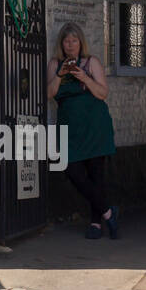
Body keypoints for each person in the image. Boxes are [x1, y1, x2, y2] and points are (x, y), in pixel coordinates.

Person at [47, 22, 118, 239]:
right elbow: (49, 93)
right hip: (69, 127)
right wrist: (60, 74)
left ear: (81, 42)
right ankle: (108, 211)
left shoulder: (91, 62)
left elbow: (103, 93)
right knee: (72, 171)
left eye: (74, 41)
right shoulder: (55, 64)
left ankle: (96, 224)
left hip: (95, 126)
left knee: (96, 175)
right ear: (62, 44)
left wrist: (84, 77)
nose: (70, 45)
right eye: (66, 41)